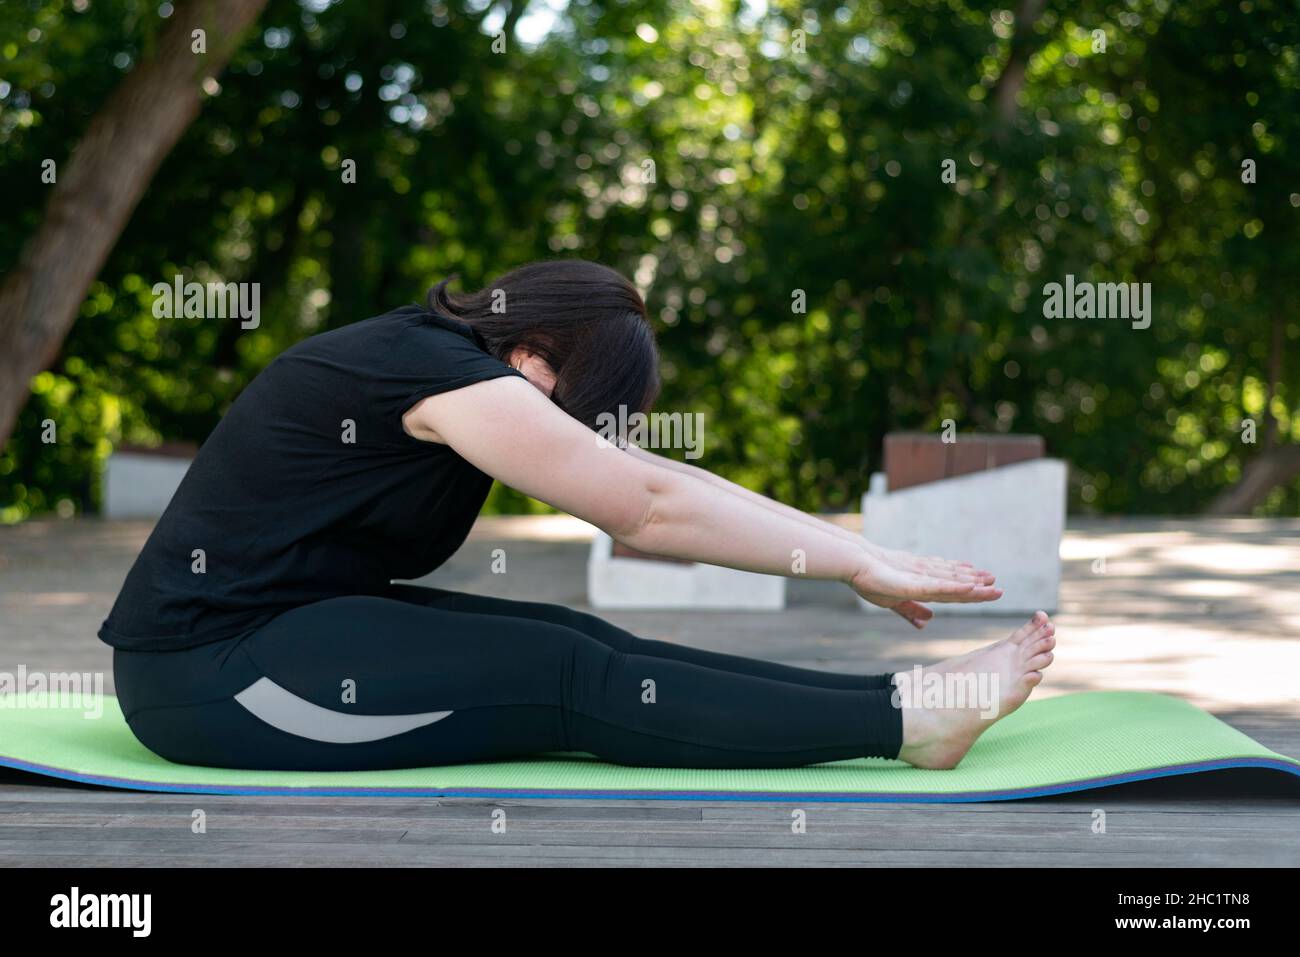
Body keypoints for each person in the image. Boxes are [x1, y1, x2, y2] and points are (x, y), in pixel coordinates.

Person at [101, 259, 1056, 773]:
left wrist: (860, 550)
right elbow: (646, 509)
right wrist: (854, 568)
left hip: (273, 641)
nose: (585, 439)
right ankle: (906, 722)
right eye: (586, 413)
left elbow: (654, 478)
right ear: (534, 359)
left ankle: (899, 704)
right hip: (211, 683)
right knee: (569, 675)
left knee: (573, 635)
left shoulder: (441, 361)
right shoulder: (440, 376)